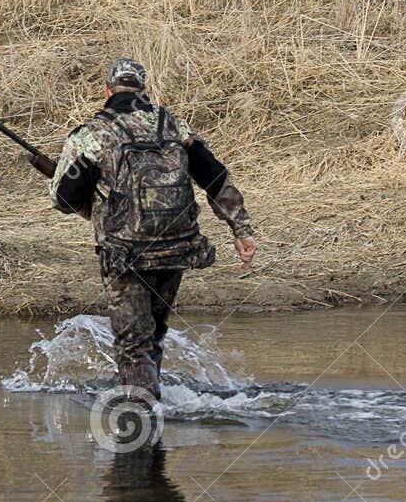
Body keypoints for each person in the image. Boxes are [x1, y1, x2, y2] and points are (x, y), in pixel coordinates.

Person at [48, 58, 256, 400]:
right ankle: (151, 411)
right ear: (144, 89)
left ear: (107, 90)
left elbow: (64, 199)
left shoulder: (93, 135)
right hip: (177, 248)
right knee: (154, 334)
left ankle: (140, 417)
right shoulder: (174, 126)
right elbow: (216, 178)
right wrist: (241, 230)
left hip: (124, 255)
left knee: (132, 344)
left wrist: (94, 206)